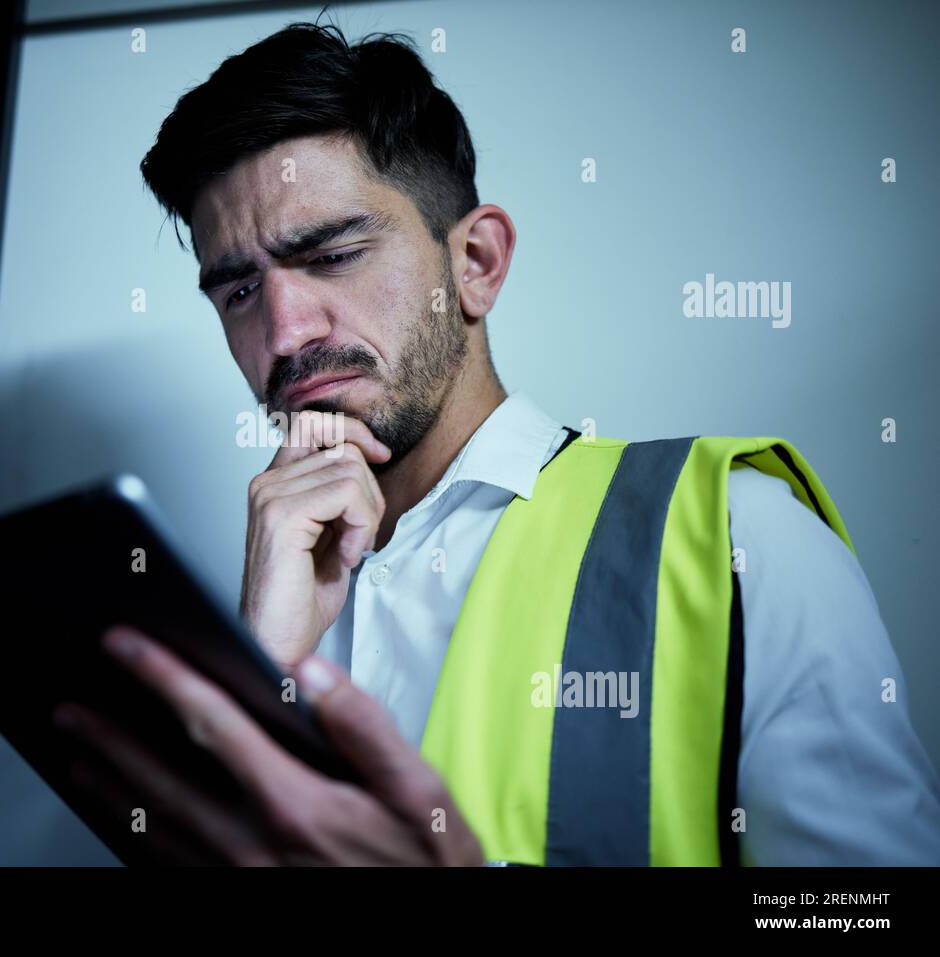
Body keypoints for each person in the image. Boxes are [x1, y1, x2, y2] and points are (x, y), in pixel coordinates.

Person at [51, 20, 940, 866]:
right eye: (238, 290)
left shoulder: (736, 533)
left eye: (331, 255)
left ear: (475, 264)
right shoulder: (261, 604)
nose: (285, 332)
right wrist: (256, 678)